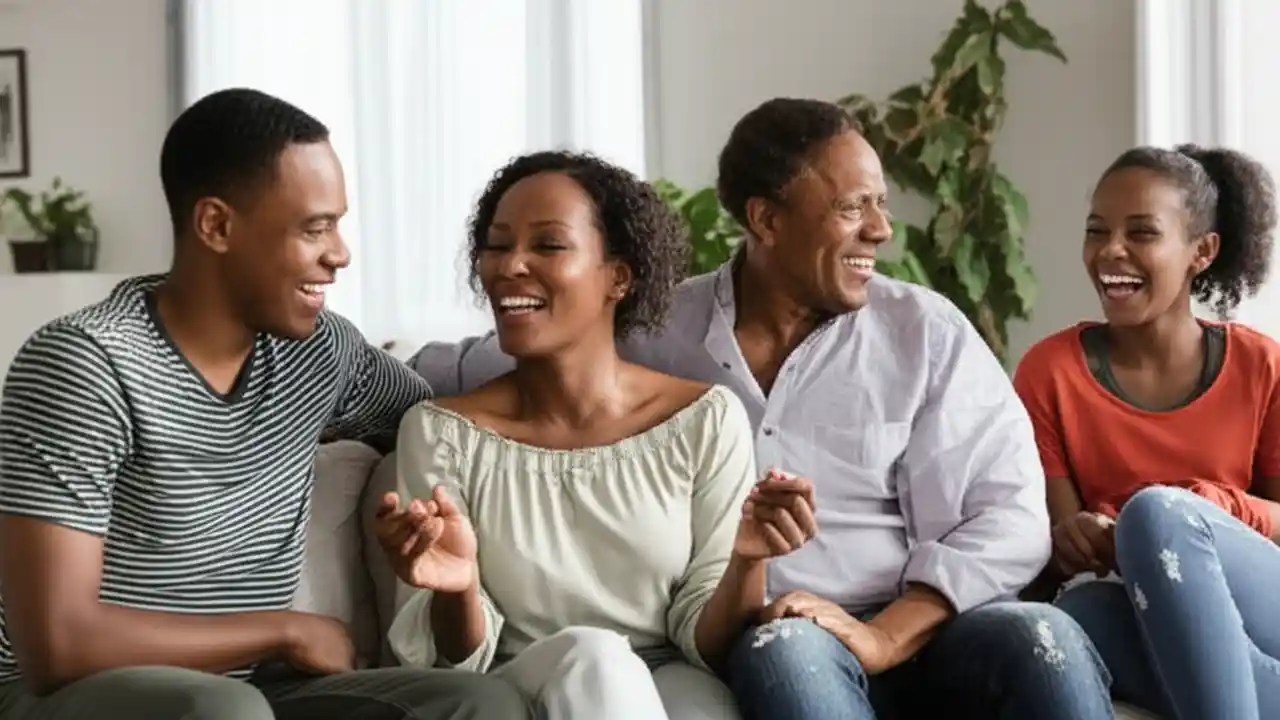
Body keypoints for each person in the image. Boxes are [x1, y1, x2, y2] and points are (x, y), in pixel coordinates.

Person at [412, 98, 1114, 719]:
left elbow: (1011, 518)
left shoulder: (925, 332)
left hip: (930, 626)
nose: (881, 230)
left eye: (880, 205)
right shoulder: (652, 330)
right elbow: (494, 354)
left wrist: (886, 633)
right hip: (779, 634)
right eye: (853, 207)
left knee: (1039, 635)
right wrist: (356, 369)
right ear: (767, 219)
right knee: (788, 650)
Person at [0, 88, 527, 720]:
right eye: (315, 228)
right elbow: (56, 645)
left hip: (244, 689)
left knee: (479, 703)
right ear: (216, 226)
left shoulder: (320, 352)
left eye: (338, 224)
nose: (340, 253)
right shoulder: (84, 363)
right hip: (57, 694)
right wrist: (284, 631)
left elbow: (441, 420)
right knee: (224, 709)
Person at [371, 150, 817, 720]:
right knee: (596, 657)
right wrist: (456, 590)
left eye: (548, 245)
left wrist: (746, 562)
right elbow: (451, 662)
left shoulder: (704, 419)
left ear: (618, 277)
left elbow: (708, 645)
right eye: (497, 245)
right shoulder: (442, 432)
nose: (510, 266)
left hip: (668, 677)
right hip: (514, 683)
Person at [1014, 144, 1280, 719]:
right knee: (1080, 613)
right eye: (1097, 231)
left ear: (1201, 252)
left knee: (1157, 513)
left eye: (1141, 233)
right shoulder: (1049, 372)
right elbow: (1059, 546)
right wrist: (1074, 540)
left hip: (1261, 602)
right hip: (1135, 600)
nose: (1111, 251)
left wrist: (1208, 507)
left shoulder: (1262, 365)